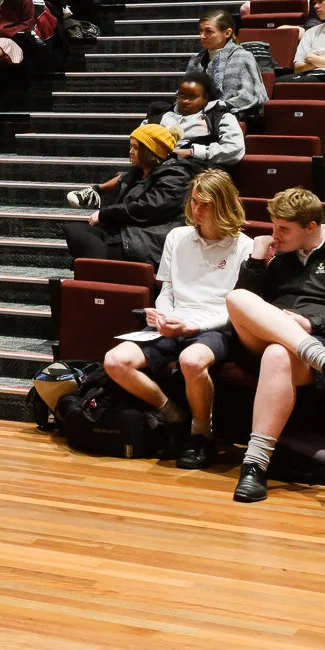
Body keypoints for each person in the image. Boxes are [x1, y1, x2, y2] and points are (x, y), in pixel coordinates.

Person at [223, 187, 325, 503]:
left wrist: (312, 324)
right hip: (266, 340)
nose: (275, 235)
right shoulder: (276, 256)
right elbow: (245, 308)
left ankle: (254, 467)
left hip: (318, 343)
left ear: (311, 226)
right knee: (237, 297)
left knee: (277, 353)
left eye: (283, 229)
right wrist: (256, 263)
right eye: (273, 226)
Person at [99, 171, 251, 469]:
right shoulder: (177, 237)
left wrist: (194, 326)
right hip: (174, 321)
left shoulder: (244, 246)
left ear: (223, 205)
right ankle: (173, 416)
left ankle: (200, 434)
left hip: (215, 326)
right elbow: (166, 288)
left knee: (192, 362)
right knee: (115, 361)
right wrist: (162, 313)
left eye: (205, 204)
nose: (197, 209)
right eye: (194, 202)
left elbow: (236, 307)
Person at [64, 124, 191, 264]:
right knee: (74, 230)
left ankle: (104, 276)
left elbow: (147, 208)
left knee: (84, 241)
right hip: (127, 232)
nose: (130, 151)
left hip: (149, 238)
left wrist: (105, 214)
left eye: (136, 148)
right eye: (131, 146)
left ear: (150, 151)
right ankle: (101, 274)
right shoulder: (136, 173)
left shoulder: (176, 176)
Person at [182, 8, 264, 128]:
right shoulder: (196, 60)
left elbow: (251, 95)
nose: (202, 36)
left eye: (208, 31)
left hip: (227, 115)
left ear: (227, 33)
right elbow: (185, 91)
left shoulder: (242, 56)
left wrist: (218, 107)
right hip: (196, 114)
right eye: (201, 31)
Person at [160, 74, 244, 166]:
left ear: (205, 98)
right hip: (157, 165)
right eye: (182, 96)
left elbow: (234, 149)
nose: (185, 101)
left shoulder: (220, 116)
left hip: (198, 169)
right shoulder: (161, 115)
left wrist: (192, 152)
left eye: (192, 97)